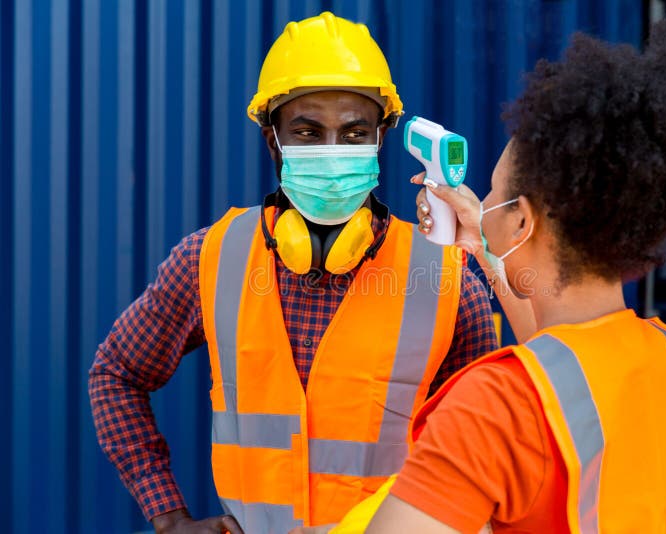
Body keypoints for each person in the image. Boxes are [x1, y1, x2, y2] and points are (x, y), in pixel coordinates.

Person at [299, 24, 666, 533]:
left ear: (522, 220)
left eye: (492, 191)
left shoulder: (494, 405)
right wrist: (483, 245)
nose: (483, 204)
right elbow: (561, 362)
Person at [88, 12, 498, 534]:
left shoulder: (446, 277)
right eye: (306, 132)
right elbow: (115, 374)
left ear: (380, 139)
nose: (332, 150)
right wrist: (168, 518)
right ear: (272, 141)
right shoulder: (208, 259)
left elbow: (489, 443)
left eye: (354, 133)